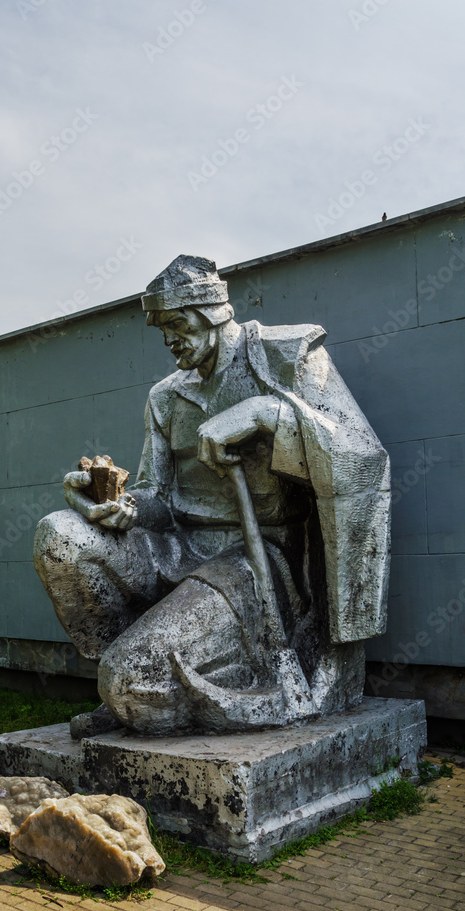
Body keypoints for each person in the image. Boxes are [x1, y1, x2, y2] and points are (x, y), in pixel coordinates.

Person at [34, 256, 390, 737]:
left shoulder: (288, 357)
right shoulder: (166, 397)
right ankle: (121, 677)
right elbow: (156, 495)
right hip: (179, 549)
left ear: (213, 314)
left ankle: (132, 684)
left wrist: (266, 414)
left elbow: (359, 456)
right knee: (60, 536)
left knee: (130, 680)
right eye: (162, 330)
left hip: (258, 560)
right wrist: (122, 506)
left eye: (177, 324)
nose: (170, 340)